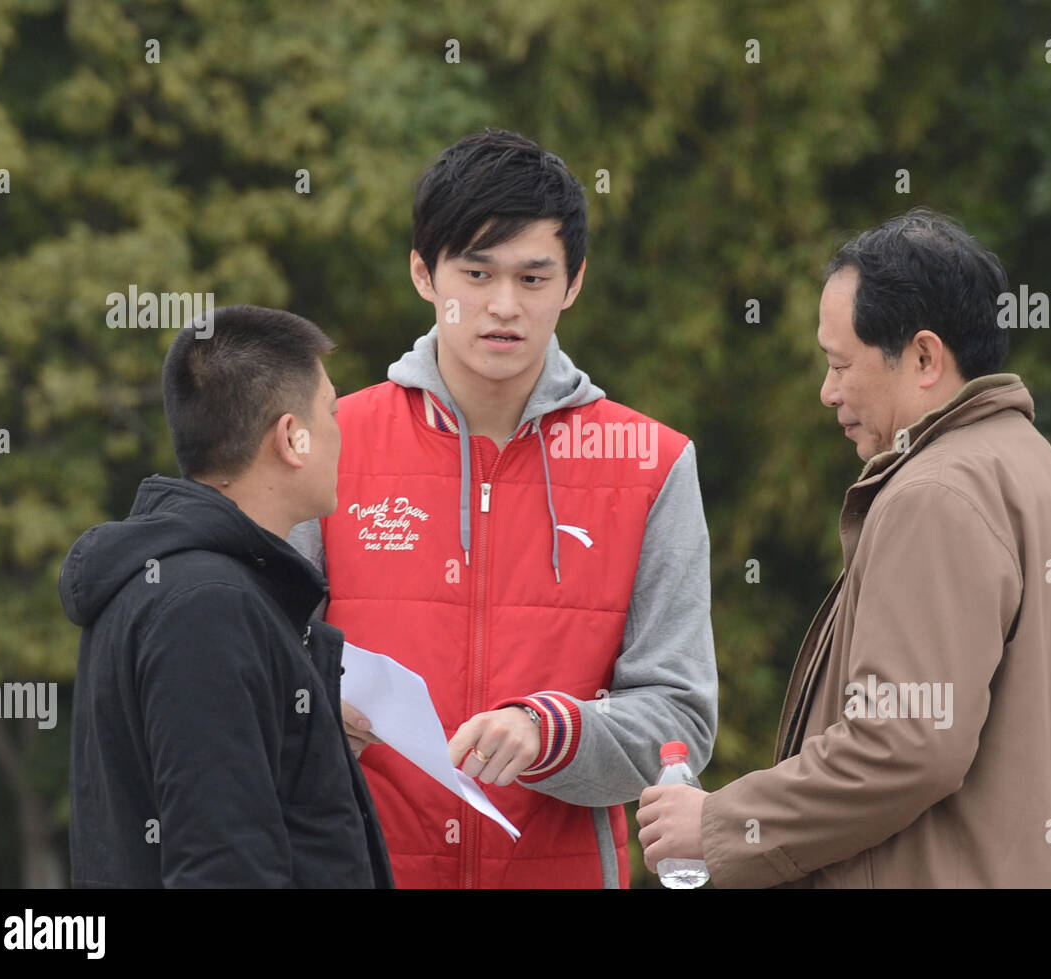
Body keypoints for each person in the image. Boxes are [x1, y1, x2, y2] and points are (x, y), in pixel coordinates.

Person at [637, 208, 1051, 887]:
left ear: (925, 357)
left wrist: (722, 824)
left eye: (840, 364)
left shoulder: (935, 495)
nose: (827, 392)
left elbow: (903, 743)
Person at [288, 128, 717, 888]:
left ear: (573, 282)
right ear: (423, 274)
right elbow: (258, 667)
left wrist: (552, 731)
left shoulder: (652, 464)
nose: (503, 306)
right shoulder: (331, 441)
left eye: (532, 277)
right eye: (477, 273)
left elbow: (679, 719)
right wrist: (317, 715)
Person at [61, 305, 392, 887]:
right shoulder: (206, 607)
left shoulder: (184, 585)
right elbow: (222, 865)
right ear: (291, 438)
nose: (342, 433)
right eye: (332, 412)